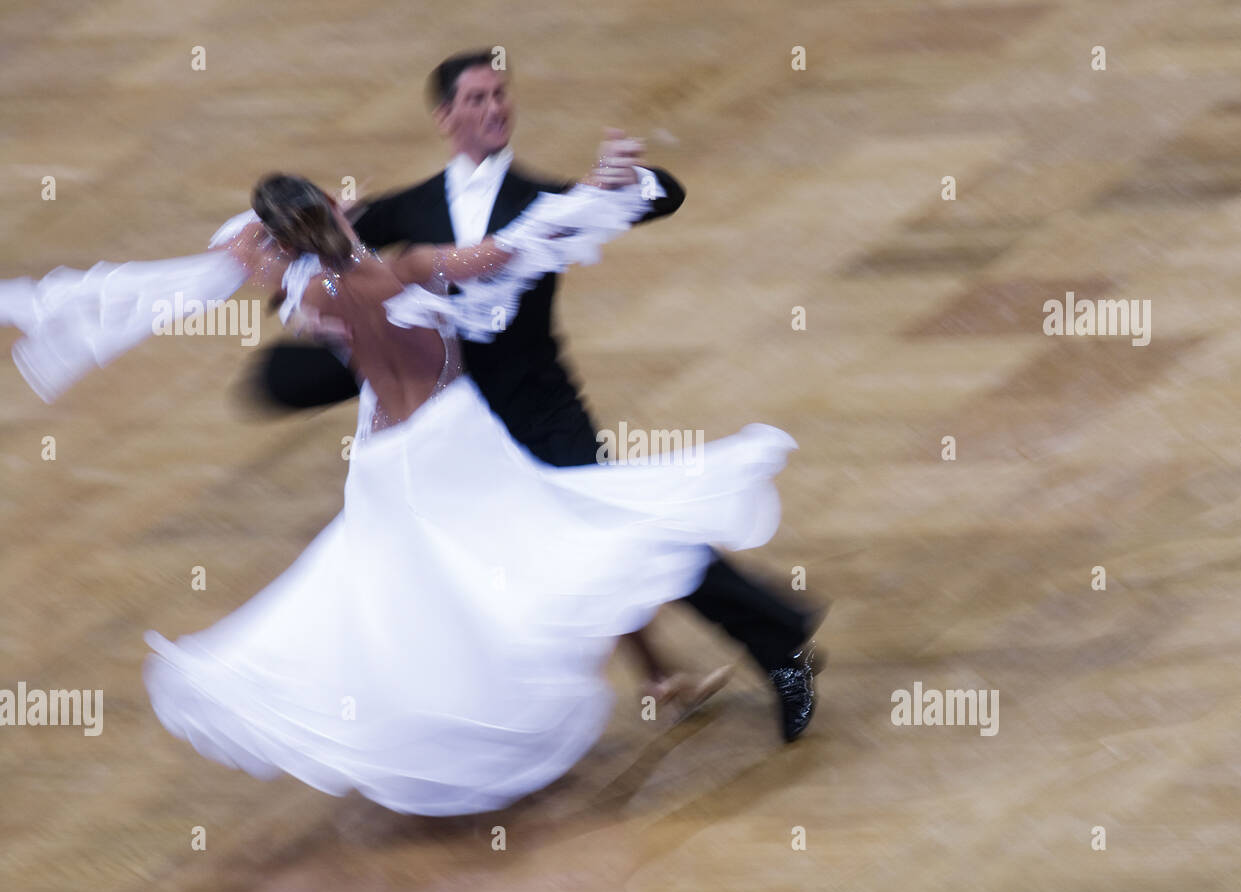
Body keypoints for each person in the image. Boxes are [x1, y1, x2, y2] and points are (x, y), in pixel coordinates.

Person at [2, 172, 798, 815]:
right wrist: (601, 195)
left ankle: (464, 714)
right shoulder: (406, 269)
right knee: (554, 546)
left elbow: (264, 267)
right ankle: (632, 682)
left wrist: (281, 247)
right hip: (456, 444)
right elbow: (498, 256)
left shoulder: (308, 298)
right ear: (333, 216)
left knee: (390, 595)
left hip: (386, 463)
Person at [253, 50, 827, 740]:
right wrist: (301, 276)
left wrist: (627, 178)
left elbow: (663, 196)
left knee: (628, 534)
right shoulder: (406, 207)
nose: (494, 109)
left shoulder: (543, 200)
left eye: (500, 95)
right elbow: (310, 264)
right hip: (458, 429)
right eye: (476, 99)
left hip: (542, 412)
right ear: (445, 117)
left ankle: (777, 646)